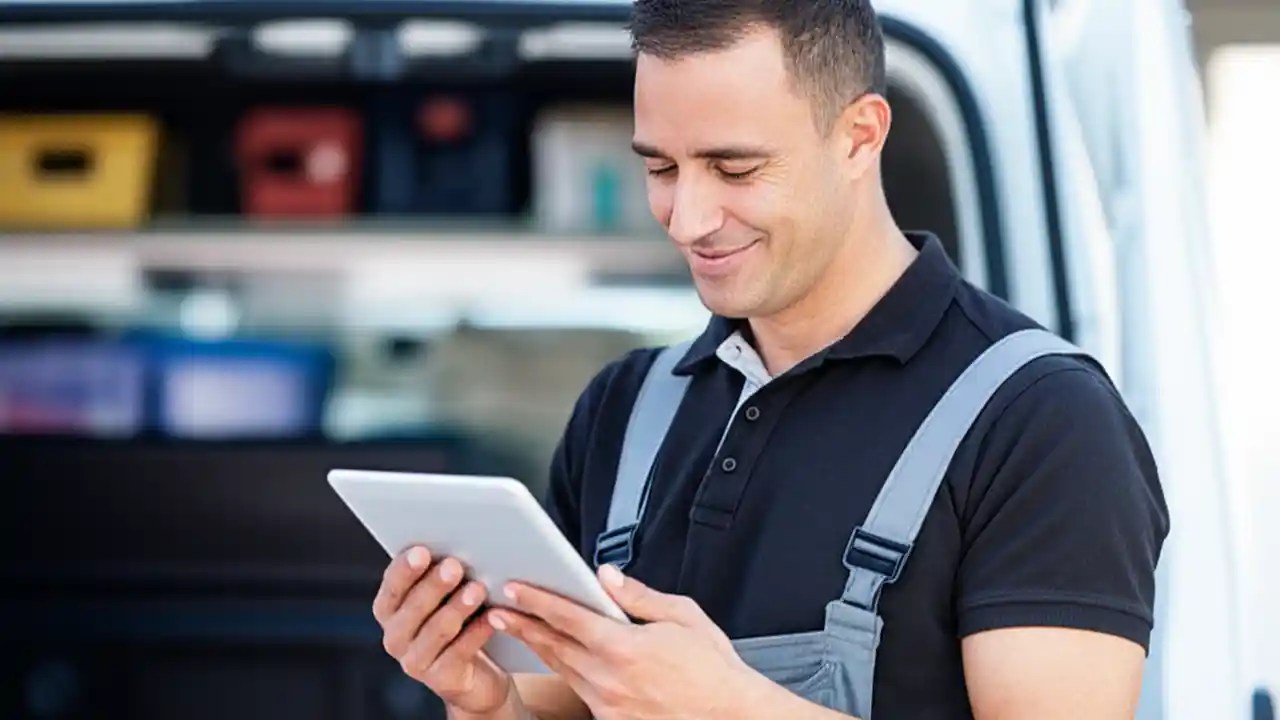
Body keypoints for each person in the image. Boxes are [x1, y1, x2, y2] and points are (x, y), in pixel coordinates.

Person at [371, 1, 1170, 718]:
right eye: (660, 168)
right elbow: (555, 712)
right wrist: (484, 703)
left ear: (860, 136)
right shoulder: (625, 411)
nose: (686, 218)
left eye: (734, 168)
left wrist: (730, 709)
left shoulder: (1042, 423)